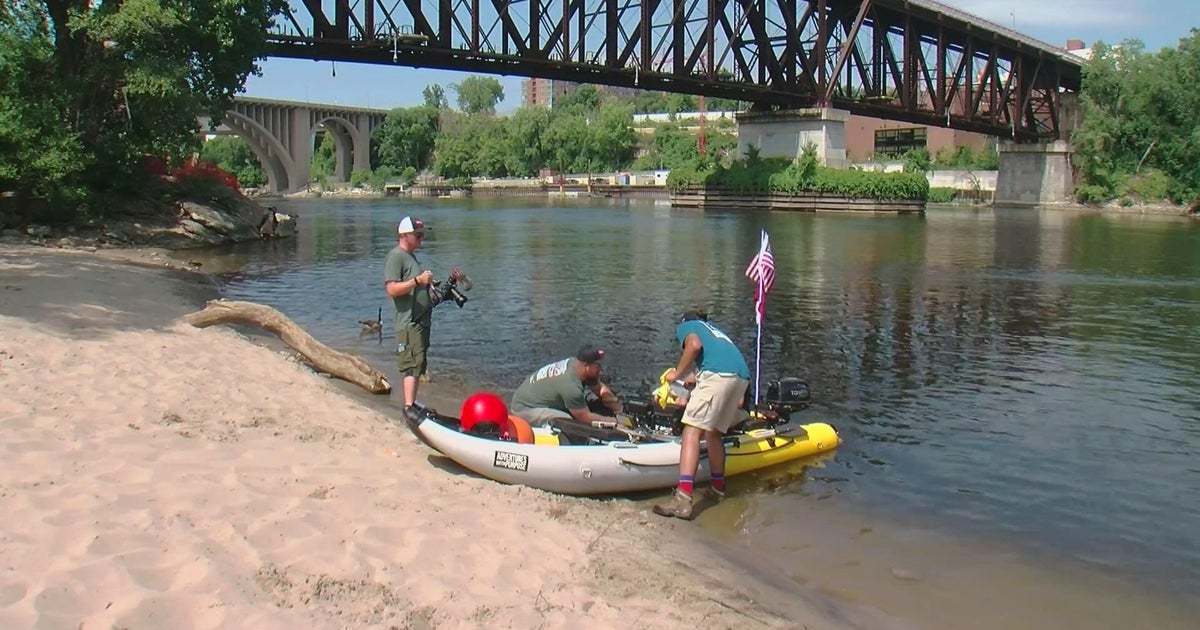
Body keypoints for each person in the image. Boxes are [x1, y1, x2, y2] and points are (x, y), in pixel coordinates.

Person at [652, 309, 750, 520]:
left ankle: (683, 499)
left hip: (718, 375)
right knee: (713, 433)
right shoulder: (716, 332)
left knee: (691, 431)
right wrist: (693, 378)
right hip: (741, 376)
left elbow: (694, 345)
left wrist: (676, 374)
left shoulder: (688, 326)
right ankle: (717, 489)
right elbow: (715, 359)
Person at [384, 216, 435, 418]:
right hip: (408, 322)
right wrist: (417, 280)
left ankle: (412, 404)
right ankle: (409, 407)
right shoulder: (396, 256)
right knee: (412, 365)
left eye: (422, 235)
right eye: (418, 235)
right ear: (405, 236)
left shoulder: (411, 256)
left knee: (419, 364)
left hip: (420, 320)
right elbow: (392, 289)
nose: (422, 239)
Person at [510, 345, 622, 427]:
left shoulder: (575, 364)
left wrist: (618, 408)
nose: (601, 369)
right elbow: (584, 417)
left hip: (531, 395)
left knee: (590, 406)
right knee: (569, 421)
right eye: (598, 366)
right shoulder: (571, 387)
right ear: (586, 366)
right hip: (525, 408)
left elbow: (599, 388)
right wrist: (614, 422)